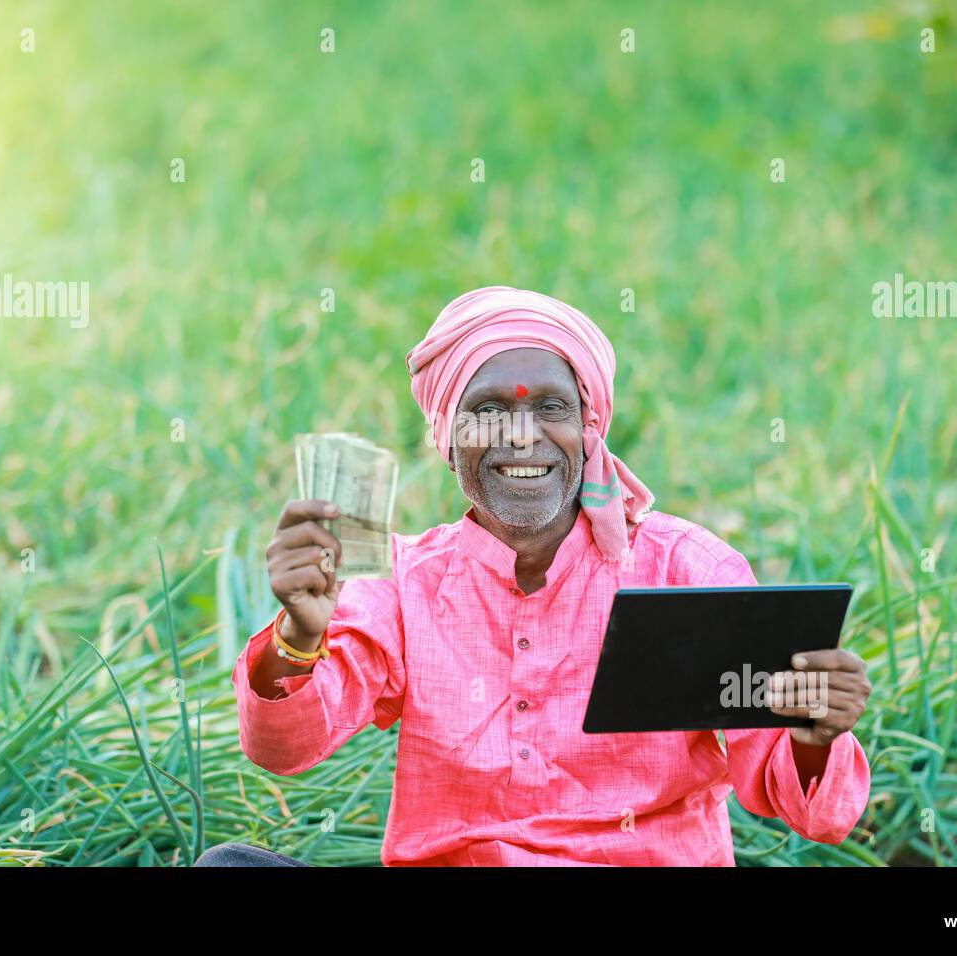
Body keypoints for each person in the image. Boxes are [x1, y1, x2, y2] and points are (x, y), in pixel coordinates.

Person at [196, 285, 871, 867]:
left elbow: (816, 812)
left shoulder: (684, 570)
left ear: (589, 426)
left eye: (550, 407)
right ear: (447, 436)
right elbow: (283, 749)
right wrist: (299, 635)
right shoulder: (403, 583)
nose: (521, 435)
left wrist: (816, 733)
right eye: (487, 410)